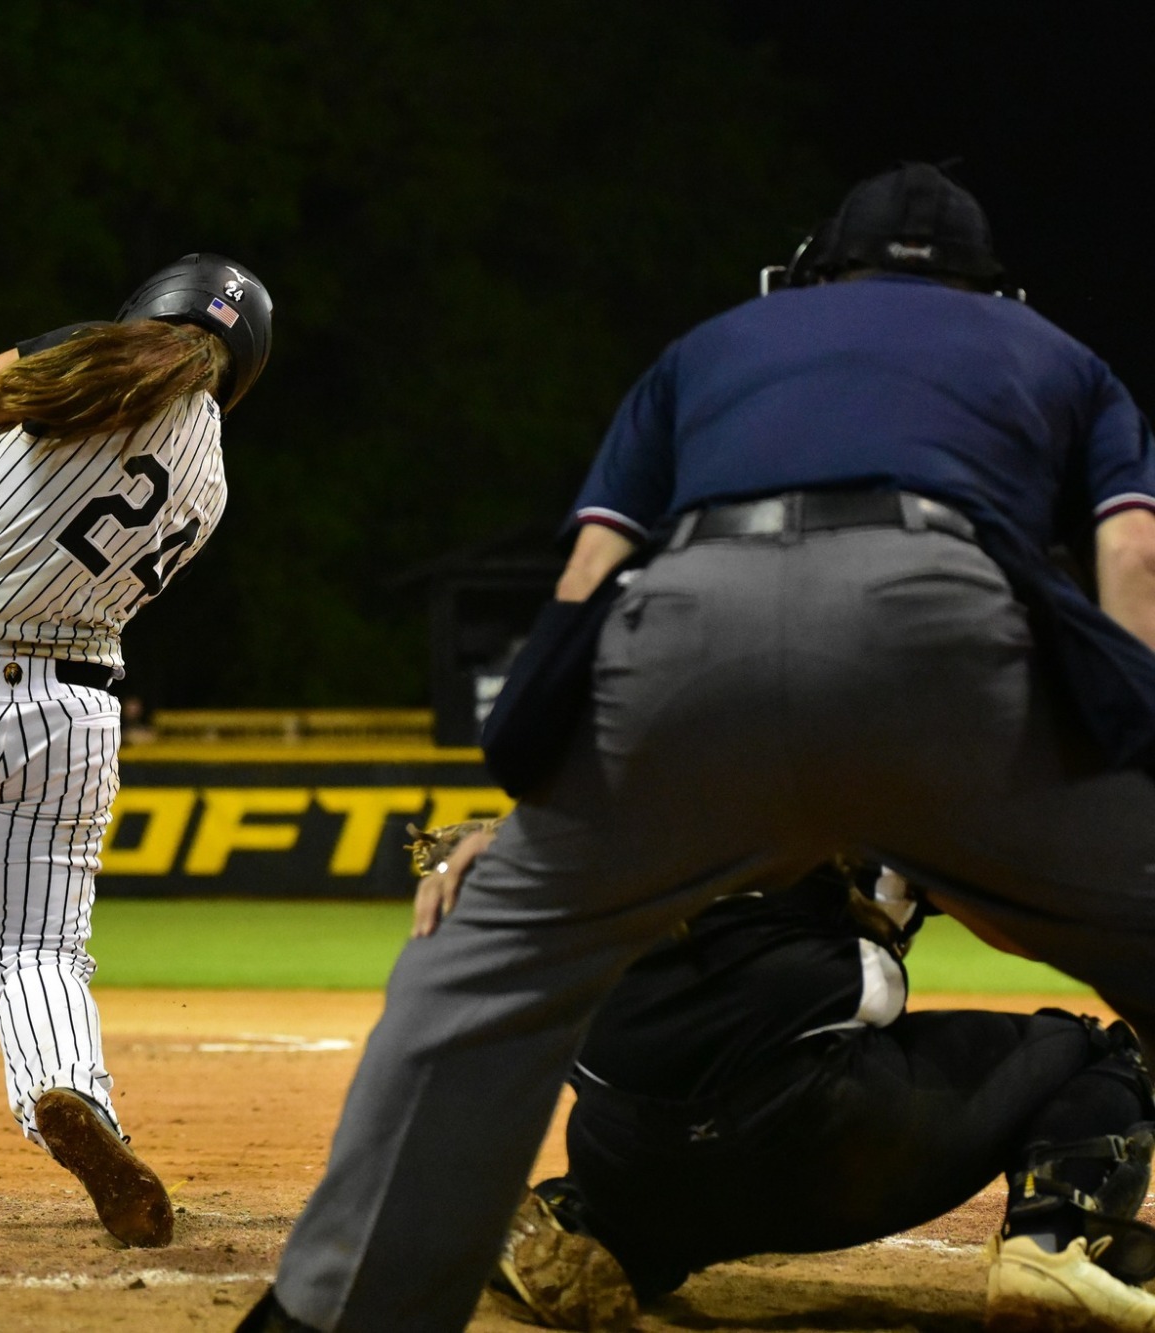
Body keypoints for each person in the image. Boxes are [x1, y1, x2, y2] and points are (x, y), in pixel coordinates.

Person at [241, 162, 1155, 1333]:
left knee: (479, 979)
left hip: (687, 622)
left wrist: (541, 802)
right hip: (942, 615)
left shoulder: (714, 345)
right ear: (993, 294)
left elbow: (587, 577)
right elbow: (1128, 565)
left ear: (811, 275)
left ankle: (326, 1319)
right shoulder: (1060, 359)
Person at [0, 253, 272, 1239]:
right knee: (38, 948)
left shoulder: (83, 356)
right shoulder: (210, 478)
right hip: (68, 714)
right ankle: (71, 1096)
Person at [481, 857, 1155, 1333]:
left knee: (643, 1115)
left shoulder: (644, 752)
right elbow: (1023, 917)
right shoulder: (903, 741)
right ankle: (1052, 1237)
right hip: (826, 1135)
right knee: (1097, 1053)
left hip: (627, 1160)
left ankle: (583, 1222)